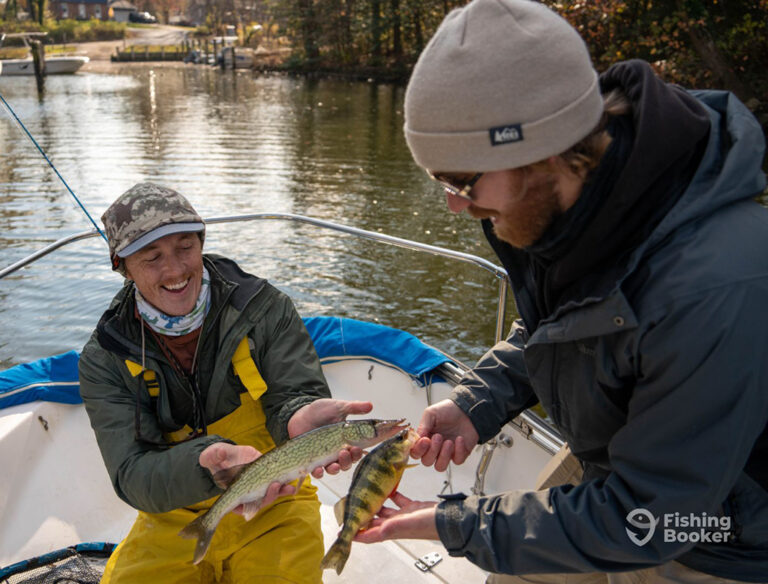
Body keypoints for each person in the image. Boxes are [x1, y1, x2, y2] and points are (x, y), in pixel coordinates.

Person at [355, 1, 768, 583]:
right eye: (439, 181)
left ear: (543, 151)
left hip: (712, 540)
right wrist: (478, 403)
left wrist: (458, 524)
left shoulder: (715, 285)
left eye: (461, 181)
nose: (453, 205)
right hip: (612, 477)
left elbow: (645, 519)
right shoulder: (562, 202)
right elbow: (564, 328)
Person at [79, 182, 371, 584]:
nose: (176, 270)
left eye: (185, 247)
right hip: (175, 517)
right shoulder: (106, 357)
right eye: (151, 257)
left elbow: (295, 394)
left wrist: (297, 414)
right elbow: (132, 474)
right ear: (123, 267)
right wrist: (206, 463)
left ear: (201, 243)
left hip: (277, 503)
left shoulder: (265, 309)